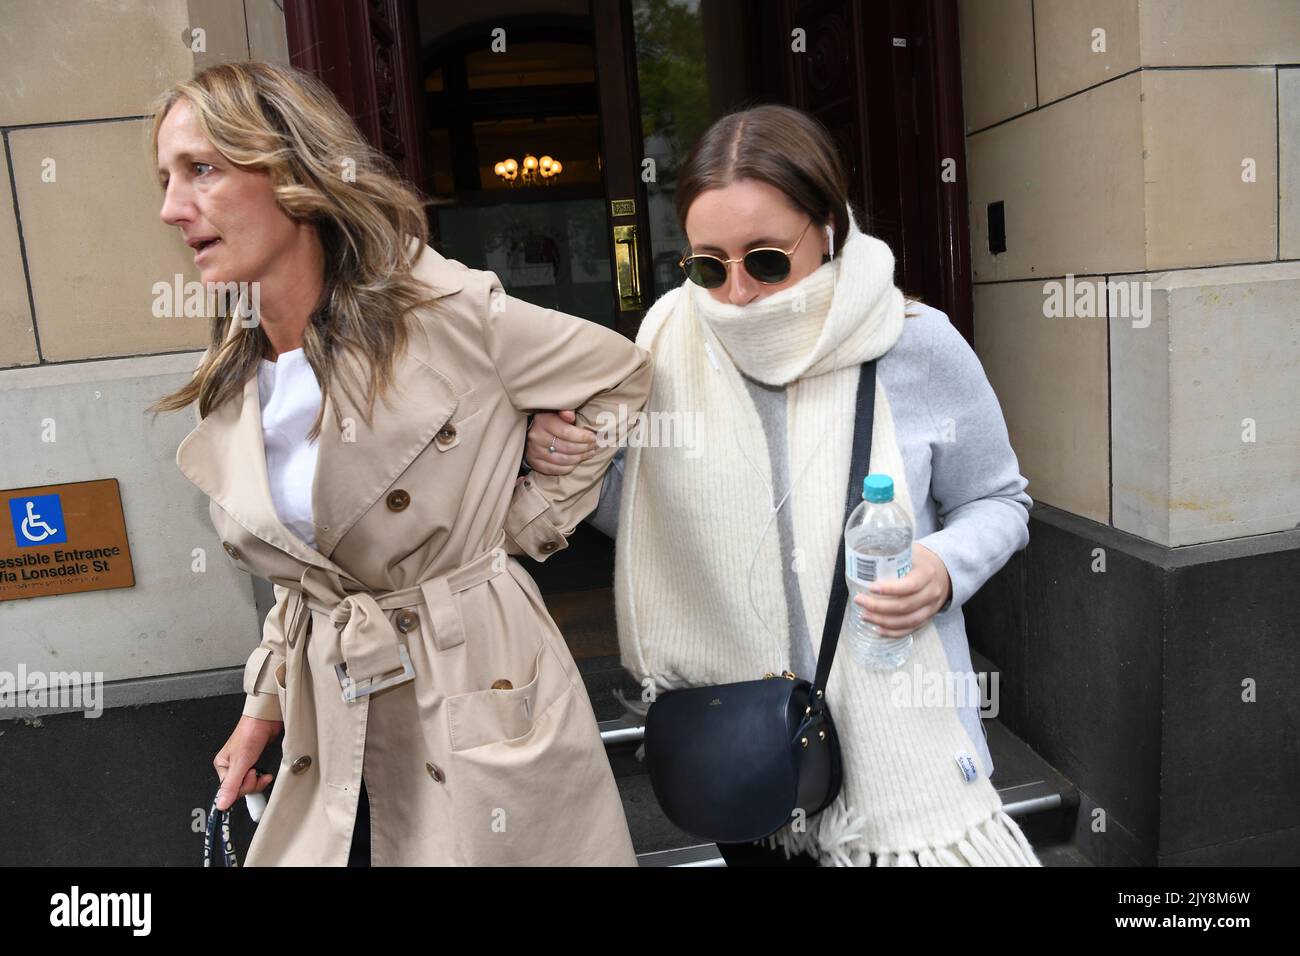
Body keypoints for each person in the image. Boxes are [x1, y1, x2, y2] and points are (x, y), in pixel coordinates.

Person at [149, 61, 651, 866]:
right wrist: (261, 708)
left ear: (296, 173)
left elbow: (620, 373)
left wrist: (521, 519)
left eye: (202, 169)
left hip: (470, 671)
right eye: (168, 178)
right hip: (332, 700)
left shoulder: (446, 314)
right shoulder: (236, 372)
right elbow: (310, 577)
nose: (172, 208)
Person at [525, 104, 1041, 867]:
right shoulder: (668, 342)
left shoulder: (914, 342)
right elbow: (643, 514)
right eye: (708, 264)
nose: (736, 293)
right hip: (745, 747)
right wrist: (566, 457)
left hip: (904, 739)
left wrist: (941, 569)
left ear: (828, 228)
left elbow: (1000, 501)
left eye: (765, 259)